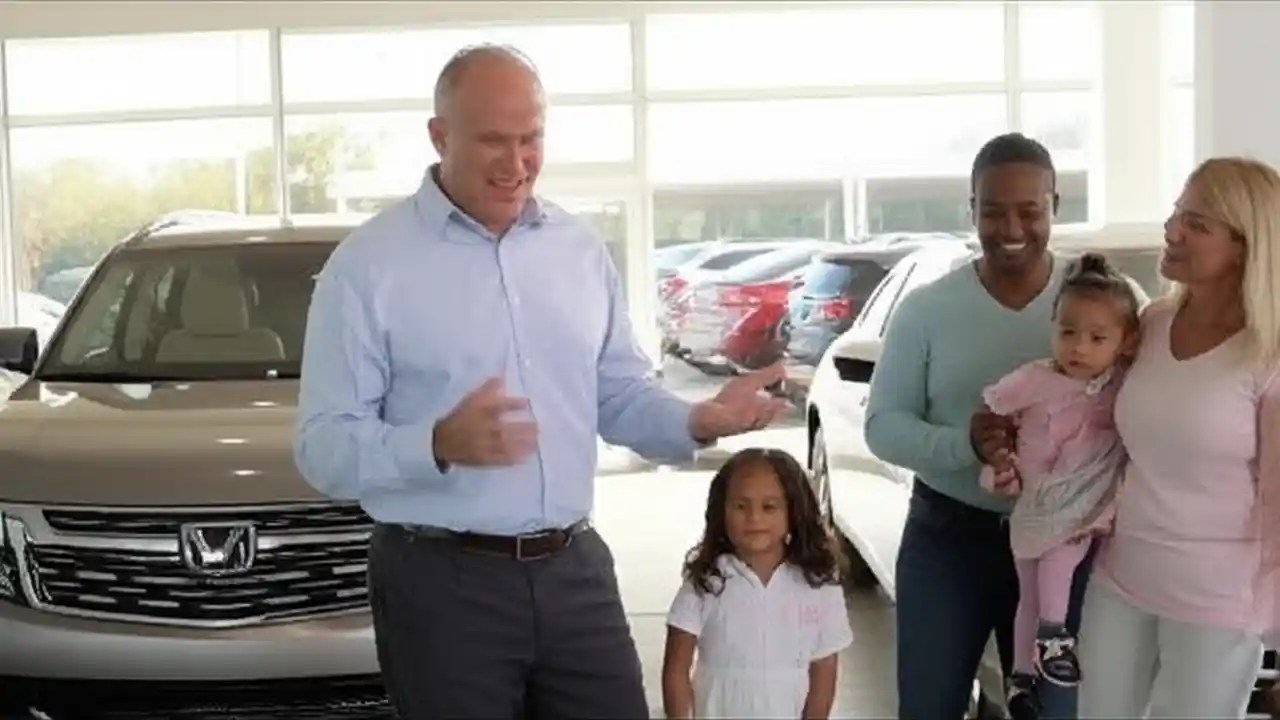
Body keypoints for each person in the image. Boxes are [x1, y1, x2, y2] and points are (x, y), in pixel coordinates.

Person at [293, 44, 789, 720]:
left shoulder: (577, 250)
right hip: (441, 580)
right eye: (494, 141)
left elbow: (616, 394)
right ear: (440, 137)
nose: (517, 162)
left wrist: (697, 419)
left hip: (573, 569)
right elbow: (323, 448)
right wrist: (435, 442)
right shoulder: (369, 267)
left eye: (532, 139)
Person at [864, 132, 1133, 719]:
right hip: (949, 539)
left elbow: (1153, 410)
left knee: (1055, 707)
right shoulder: (928, 309)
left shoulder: (1108, 303)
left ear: (1055, 207)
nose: (1012, 227)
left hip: (1068, 542)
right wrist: (963, 443)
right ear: (972, 212)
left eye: (1030, 210)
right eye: (993, 211)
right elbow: (882, 426)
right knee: (929, 705)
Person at [1077, 157, 1280, 718]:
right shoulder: (1152, 323)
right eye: (1176, 213)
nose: (1173, 230)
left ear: (1243, 245)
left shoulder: (1268, 356)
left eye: (1198, 224)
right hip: (1121, 578)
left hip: (1219, 602)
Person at [978, 253, 1141, 718]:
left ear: (1125, 342)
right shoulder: (1036, 377)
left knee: (1060, 563)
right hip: (1035, 501)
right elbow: (993, 410)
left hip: (1082, 503)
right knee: (1027, 591)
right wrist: (998, 454)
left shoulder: (1122, 384)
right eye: (1068, 332)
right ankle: (1022, 678)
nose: (1080, 348)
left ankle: (1052, 637)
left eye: (1097, 338)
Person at [661, 448, 853, 719]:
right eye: (741, 506)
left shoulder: (820, 584)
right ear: (721, 511)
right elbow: (676, 670)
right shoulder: (705, 581)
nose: (754, 519)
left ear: (793, 511)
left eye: (769, 507)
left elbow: (825, 669)